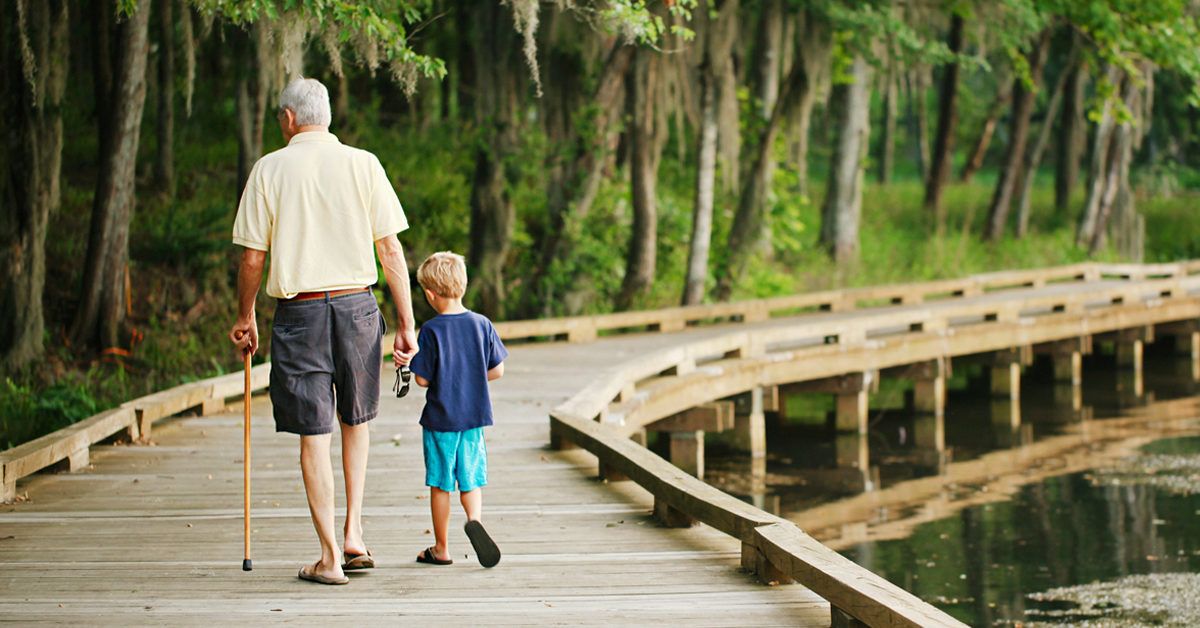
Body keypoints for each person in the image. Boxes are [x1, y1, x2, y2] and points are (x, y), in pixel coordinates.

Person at [228, 77, 419, 585]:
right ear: (326, 116)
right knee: (356, 422)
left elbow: (252, 258)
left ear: (289, 119)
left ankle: (331, 556)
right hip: (358, 308)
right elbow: (392, 251)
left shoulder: (270, 168)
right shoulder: (364, 163)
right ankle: (355, 532)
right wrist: (406, 322)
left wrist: (245, 315)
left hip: (300, 314)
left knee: (315, 433)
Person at [408, 252, 506, 568]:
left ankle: (441, 548)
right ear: (462, 285)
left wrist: (409, 365)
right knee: (471, 478)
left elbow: (422, 379)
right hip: (474, 417)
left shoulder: (431, 330)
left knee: (440, 483)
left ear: (430, 294)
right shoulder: (482, 324)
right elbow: (497, 370)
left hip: (440, 420)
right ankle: (474, 519)